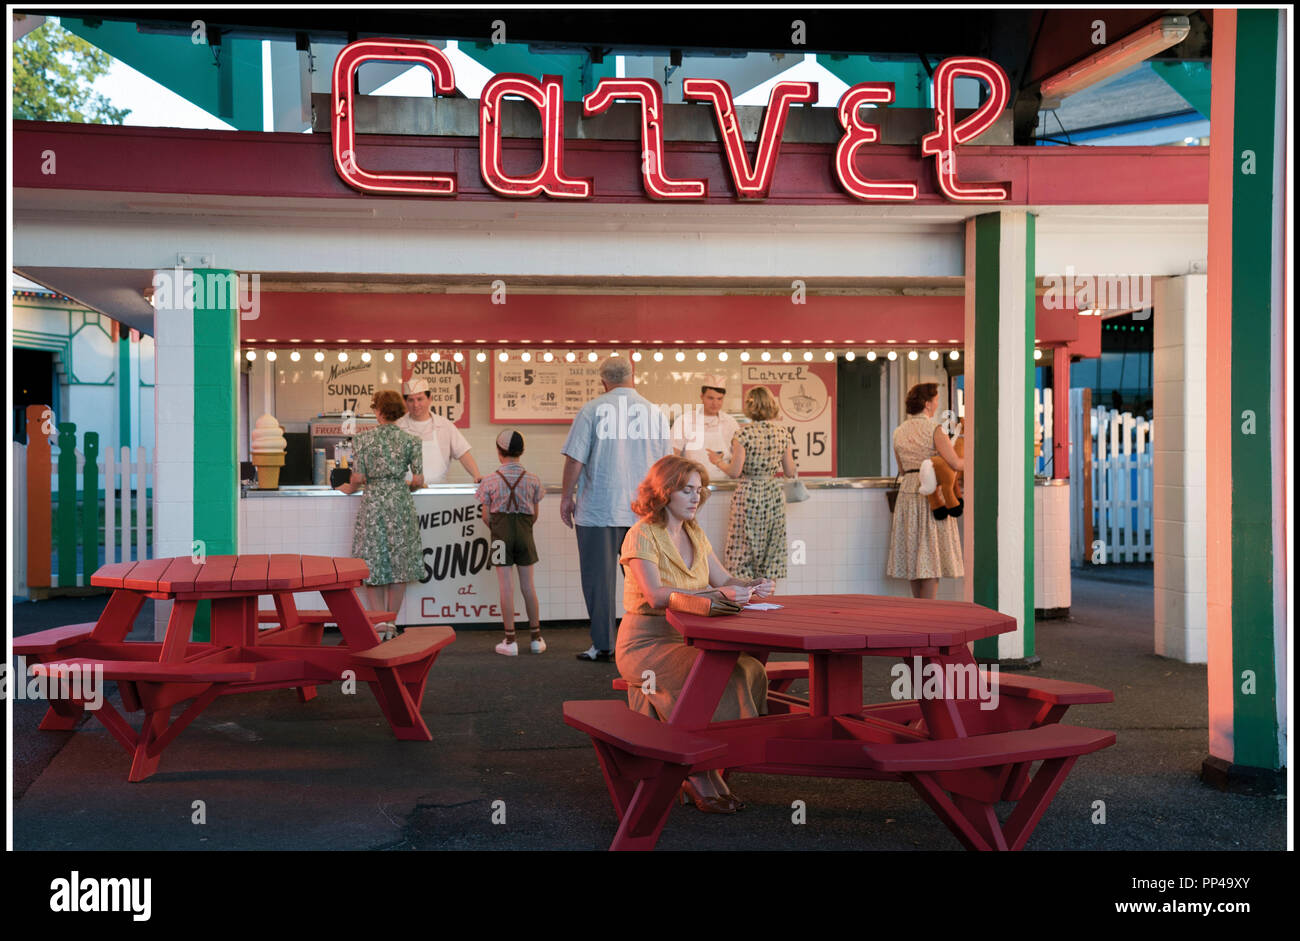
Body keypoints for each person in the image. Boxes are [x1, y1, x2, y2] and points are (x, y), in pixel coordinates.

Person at [619, 455, 774, 813]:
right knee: (727, 675)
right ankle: (700, 773)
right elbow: (656, 596)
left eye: (699, 490)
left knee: (751, 669)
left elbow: (725, 581)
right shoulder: (641, 534)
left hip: (687, 640)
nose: (695, 497)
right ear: (664, 492)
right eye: (686, 490)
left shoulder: (694, 532)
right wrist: (718, 595)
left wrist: (755, 584)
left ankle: (708, 766)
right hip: (646, 644)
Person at [560, 356, 672, 662]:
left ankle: (603, 645)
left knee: (599, 581)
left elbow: (574, 459)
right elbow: (665, 464)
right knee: (648, 582)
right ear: (632, 376)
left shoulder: (592, 410)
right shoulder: (655, 413)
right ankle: (654, 642)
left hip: (599, 510)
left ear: (603, 381)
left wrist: (566, 498)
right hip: (644, 512)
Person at [335, 390, 423, 640]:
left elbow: (358, 479)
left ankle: (378, 624)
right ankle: (392, 624)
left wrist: (345, 488)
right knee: (399, 565)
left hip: (373, 503)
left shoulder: (363, 440)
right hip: (400, 504)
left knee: (373, 562)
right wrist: (401, 485)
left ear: (379, 411)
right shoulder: (411, 441)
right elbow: (417, 480)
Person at [887, 382, 965, 599]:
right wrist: (970, 459)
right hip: (932, 495)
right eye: (936, 399)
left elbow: (902, 469)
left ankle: (918, 609)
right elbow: (955, 463)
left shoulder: (898, 432)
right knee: (930, 554)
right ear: (927, 404)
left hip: (907, 492)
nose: (937, 403)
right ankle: (929, 610)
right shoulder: (934, 430)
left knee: (914, 554)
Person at [714, 385, 797, 582]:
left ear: (749, 407)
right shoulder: (782, 434)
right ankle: (768, 599)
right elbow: (790, 471)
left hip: (748, 493)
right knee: (771, 546)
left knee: (743, 547)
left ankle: (745, 599)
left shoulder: (743, 434)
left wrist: (717, 462)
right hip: (772, 494)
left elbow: (735, 472)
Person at [476, 429, 546, 656]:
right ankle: (536, 638)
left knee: (506, 586)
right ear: (522, 451)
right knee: (528, 585)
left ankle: (510, 641)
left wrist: (499, 529)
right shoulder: (533, 479)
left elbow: (485, 516)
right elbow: (535, 515)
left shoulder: (489, 481)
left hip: (500, 535)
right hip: (525, 534)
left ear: (499, 452)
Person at [396, 377, 483, 485]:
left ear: (429, 399)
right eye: (411, 400)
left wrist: (477, 475)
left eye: (420, 399)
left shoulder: (444, 425)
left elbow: (463, 453)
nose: (416, 405)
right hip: (406, 493)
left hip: (439, 492)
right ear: (405, 402)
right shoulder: (398, 427)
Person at [670, 374, 740, 477]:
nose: (715, 403)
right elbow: (673, 455)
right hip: (692, 485)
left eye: (719, 399)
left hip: (725, 485)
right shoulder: (684, 421)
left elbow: (738, 455)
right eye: (710, 398)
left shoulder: (731, 423)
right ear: (701, 397)